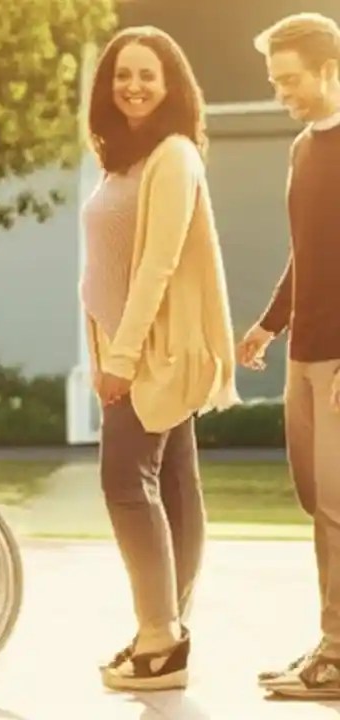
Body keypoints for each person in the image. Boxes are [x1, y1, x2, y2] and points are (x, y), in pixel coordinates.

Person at [81, 26, 239, 692]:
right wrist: (100, 349)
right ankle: (166, 629)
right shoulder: (122, 159)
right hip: (126, 348)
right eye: (122, 74)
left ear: (171, 83)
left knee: (124, 482)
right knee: (174, 483)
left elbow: (157, 264)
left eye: (147, 74)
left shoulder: (174, 156)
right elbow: (105, 266)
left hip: (154, 353)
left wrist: (122, 355)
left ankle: (159, 636)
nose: (133, 86)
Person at [242, 13, 340, 700]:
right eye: (275, 83)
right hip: (304, 351)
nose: (283, 94)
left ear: (331, 69)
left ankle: (338, 653)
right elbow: (306, 254)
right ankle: (331, 639)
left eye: (292, 81)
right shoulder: (305, 148)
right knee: (316, 499)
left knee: (337, 503)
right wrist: (269, 326)